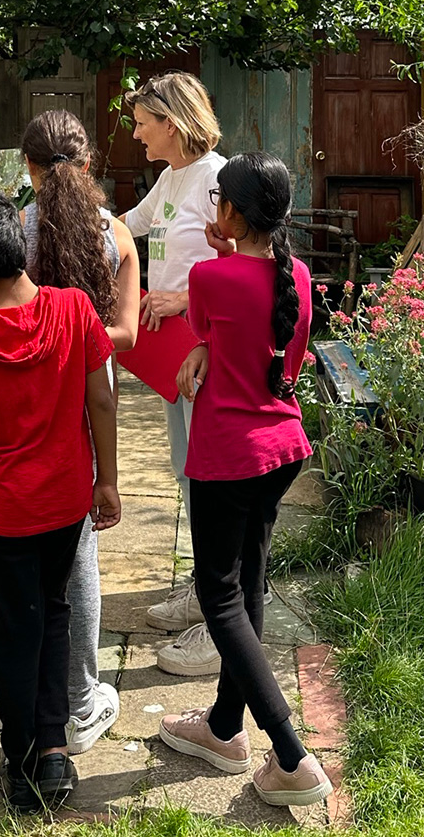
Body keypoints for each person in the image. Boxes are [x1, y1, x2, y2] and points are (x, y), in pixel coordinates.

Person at [157, 152, 332, 807]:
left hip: (228, 452)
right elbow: (274, 345)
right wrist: (210, 342)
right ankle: (225, 729)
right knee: (248, 582)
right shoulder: (301, 277)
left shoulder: (210, 277)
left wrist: (203, 333)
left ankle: (291, 755)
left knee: (219, 595)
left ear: (229, 213)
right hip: (283, 447)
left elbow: (205, 325)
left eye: (217, 203)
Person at [0, 109, 139, 753]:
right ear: (87, 163)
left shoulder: (14, 231)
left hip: (21, 389)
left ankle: (2, 688)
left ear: (28, 168)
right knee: (76, 555)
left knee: (10, 569)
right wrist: (78, 335)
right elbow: (127, 335)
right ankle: (81, 695)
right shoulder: (115, 234)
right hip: (87, 387)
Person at [0, 189, 122, 813]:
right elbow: (101, 400)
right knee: (56, 617)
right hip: (67, 499)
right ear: (24, 251)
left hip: (4, 507)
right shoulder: (74, 310)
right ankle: (53, 753)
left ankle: (17, 762)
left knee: (12, 630)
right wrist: (109, 480)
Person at [119, 72, 266, 676]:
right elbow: (128, 224)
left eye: (143, 123)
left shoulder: (221, 181)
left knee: (215, 481)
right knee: (186, 470)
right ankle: (206, 586)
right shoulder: (171, 177)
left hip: (210, 349)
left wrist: (180, 300)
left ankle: (221, 617)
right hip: (173, 349)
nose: (136, 134)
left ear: (172, 123)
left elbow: (246, 259)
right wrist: (72, 220)